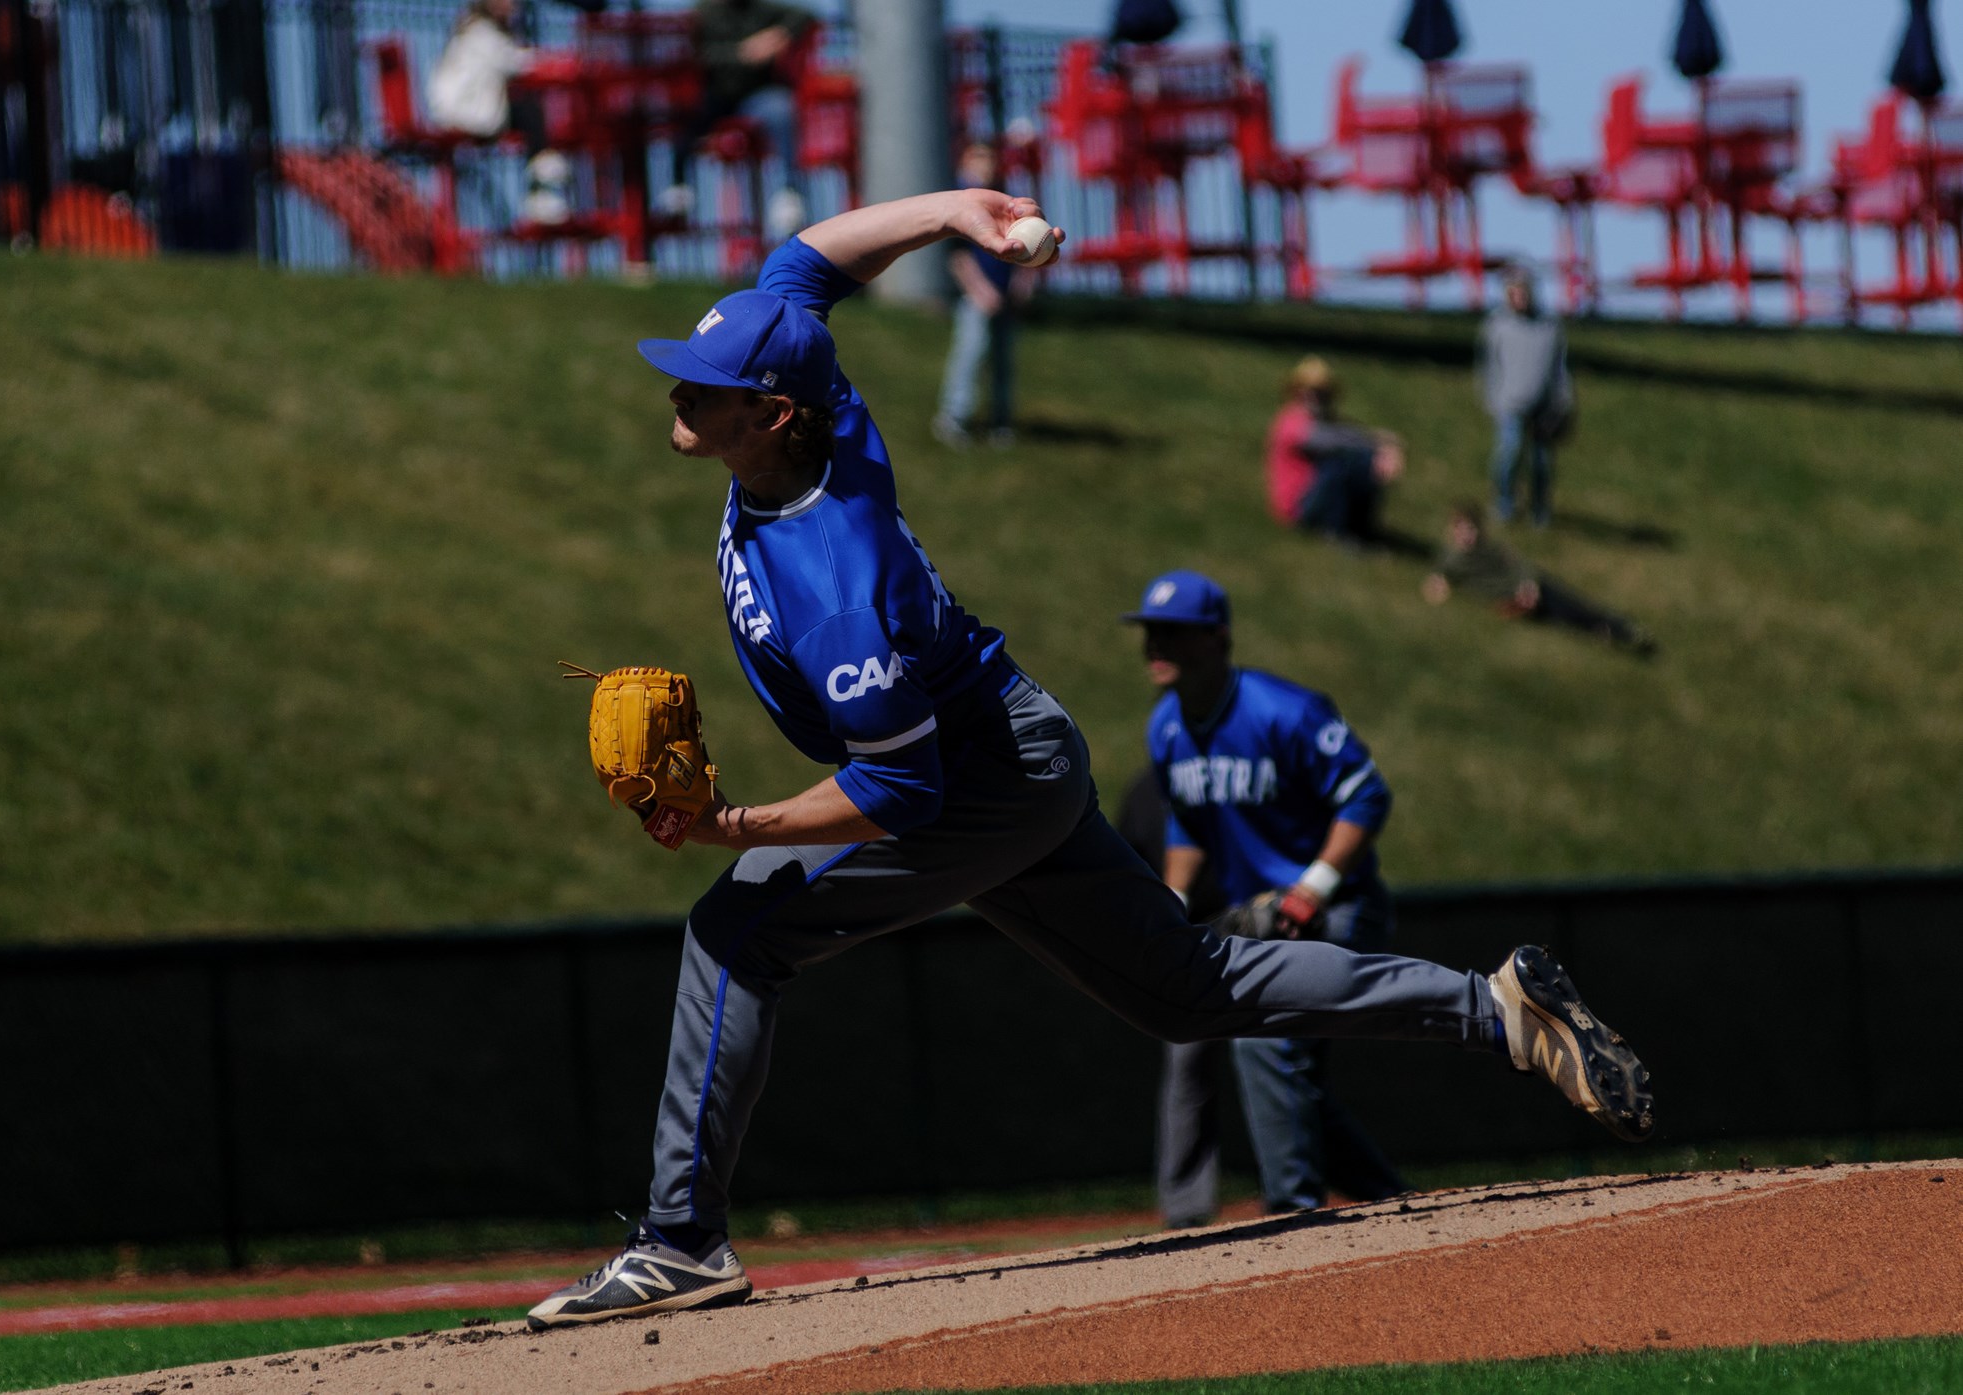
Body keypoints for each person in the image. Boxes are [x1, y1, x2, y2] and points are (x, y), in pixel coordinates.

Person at [523, 188, 1655, 1330]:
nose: (678, 388)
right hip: (1010, 745)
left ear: (769, 415)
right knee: (1187, 993)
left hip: (978, 781)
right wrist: (957, 209)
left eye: (703, 386)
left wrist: (738, 828)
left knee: (738, 931)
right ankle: (1500, 1008)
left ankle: (681, 1241)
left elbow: (897, 794)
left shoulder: (839, 589)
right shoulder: (807, 400)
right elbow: (803, 264)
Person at [1132, 571, 1408, 1225]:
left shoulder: (1285, 709)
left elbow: (1366, 795)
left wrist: (1313, 886)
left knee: (1264, 1040)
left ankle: (1292, 1216)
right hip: (1260, 920)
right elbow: (1189, 824)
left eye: (1174, 631)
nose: (1155, 644)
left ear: (1218, 637)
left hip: (1339, 908)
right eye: (1149, 630)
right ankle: (1392, 1202)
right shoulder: (1167, 727)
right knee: (1281, 1072)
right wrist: (1171, 897)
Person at [1423, 502, 1655, 656]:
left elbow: (1517, 562)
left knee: (1577, 607)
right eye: (1463, 531)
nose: (1468, 536)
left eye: (1471, 530)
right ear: (1453, 531)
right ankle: (1613, 631)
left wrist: (1528, 584)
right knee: (1567, 618)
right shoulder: (1452, 559)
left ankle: (1622, 629)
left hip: (1533, 584)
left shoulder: (1489, 547)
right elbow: (1438, 577)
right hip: (1515, 600)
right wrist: (1437, 586)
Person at [425, 0, 576, 223]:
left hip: (467, 113)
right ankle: (543, 185)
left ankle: (543, 181)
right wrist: (561, 61)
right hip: (470, 116)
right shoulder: (482, 34)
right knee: (530, 112)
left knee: (529, 112)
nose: (514, 6)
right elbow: (518, 62)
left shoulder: (472, 30)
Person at [680, 0, 815, 243]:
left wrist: (777, 35)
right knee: (682, 114)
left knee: (782, 109)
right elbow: (693, 55)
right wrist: (742, 53)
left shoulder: (761, 9)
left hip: (758, 95)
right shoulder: (701, 14)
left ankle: (789, 191)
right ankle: (679, 184)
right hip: (715, 96)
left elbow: (804, 16)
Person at [933, 143, 1033, 450]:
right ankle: (953, 418)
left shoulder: (1008, 203)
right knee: (972, 353)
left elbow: (1026, 247)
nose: (986, 165)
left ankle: (1001, 423)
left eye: (990, 158)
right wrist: (978, 289)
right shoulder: (960, 204)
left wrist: (1022, 280)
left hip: (1004, 295)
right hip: (978, 297)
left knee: (1003, 361)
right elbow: (957, 255)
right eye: (978, 158)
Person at [1264, 356, 1404, 546]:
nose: (1316, 397)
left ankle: (1361, 530)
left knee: (1363, 461)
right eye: (1311, 391)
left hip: (1315, 497)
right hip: (1298, 507)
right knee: (1342, 464)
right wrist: (1378, 443)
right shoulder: (1291, 421)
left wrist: (1380, 452)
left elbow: (1343, 435)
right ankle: (1338, 533)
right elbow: (1328, 441)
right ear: (1298, 391)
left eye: (1322, 392)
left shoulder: (1324, 421)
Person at [1478, 268, 1573, 527]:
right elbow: (1489, 367)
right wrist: (1493, 400)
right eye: (1514, 293)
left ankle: (1539, 511)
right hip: (1510, 405)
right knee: (1508, 456)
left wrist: (1564, 401)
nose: (1519, 298)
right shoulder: (1497, 326)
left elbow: (1559, 368)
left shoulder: (1549, 326)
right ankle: (1504, 504)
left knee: (1541, 464)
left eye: (1523, 293)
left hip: (1543, 407)